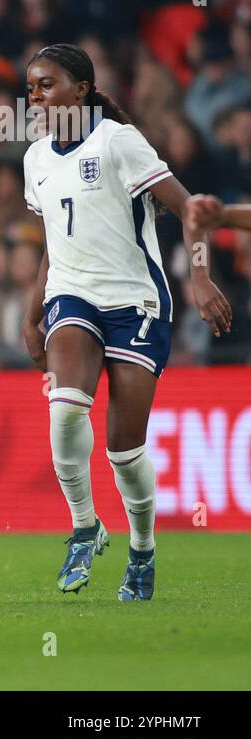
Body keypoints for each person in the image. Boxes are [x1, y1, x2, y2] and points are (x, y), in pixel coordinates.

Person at [20, 44, 232, 601]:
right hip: (73, 295)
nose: (34, 96)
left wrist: (201, 278)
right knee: (65, 410)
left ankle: (142, 548)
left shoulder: (119, 142)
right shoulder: (36, 159)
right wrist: (32, 308)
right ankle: (85, 527)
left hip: (135, 302)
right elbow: (53, 241)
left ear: (81, 88)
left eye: (45, 84)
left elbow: (189, 211)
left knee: (122, 448)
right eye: (31, 87)